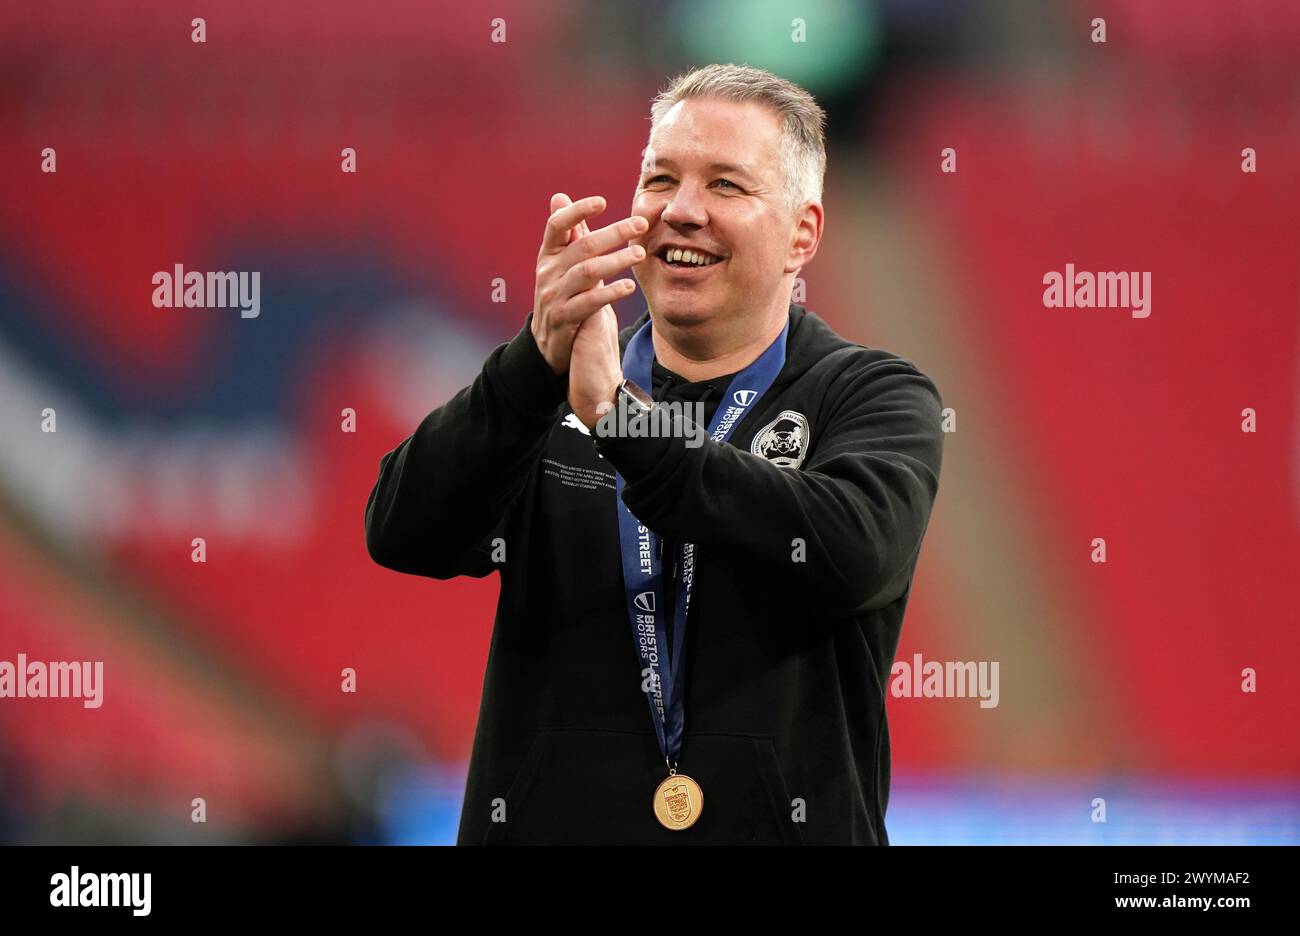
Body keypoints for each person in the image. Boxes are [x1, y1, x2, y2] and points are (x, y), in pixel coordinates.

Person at [365, 63, 944, 844]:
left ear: (802, 234)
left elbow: (851, 551)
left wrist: (620, 423)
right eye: (660, 179)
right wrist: (530, 365)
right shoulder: (542, 396)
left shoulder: (871, 395)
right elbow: (405, 532)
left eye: (726, 186)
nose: (681, 211)